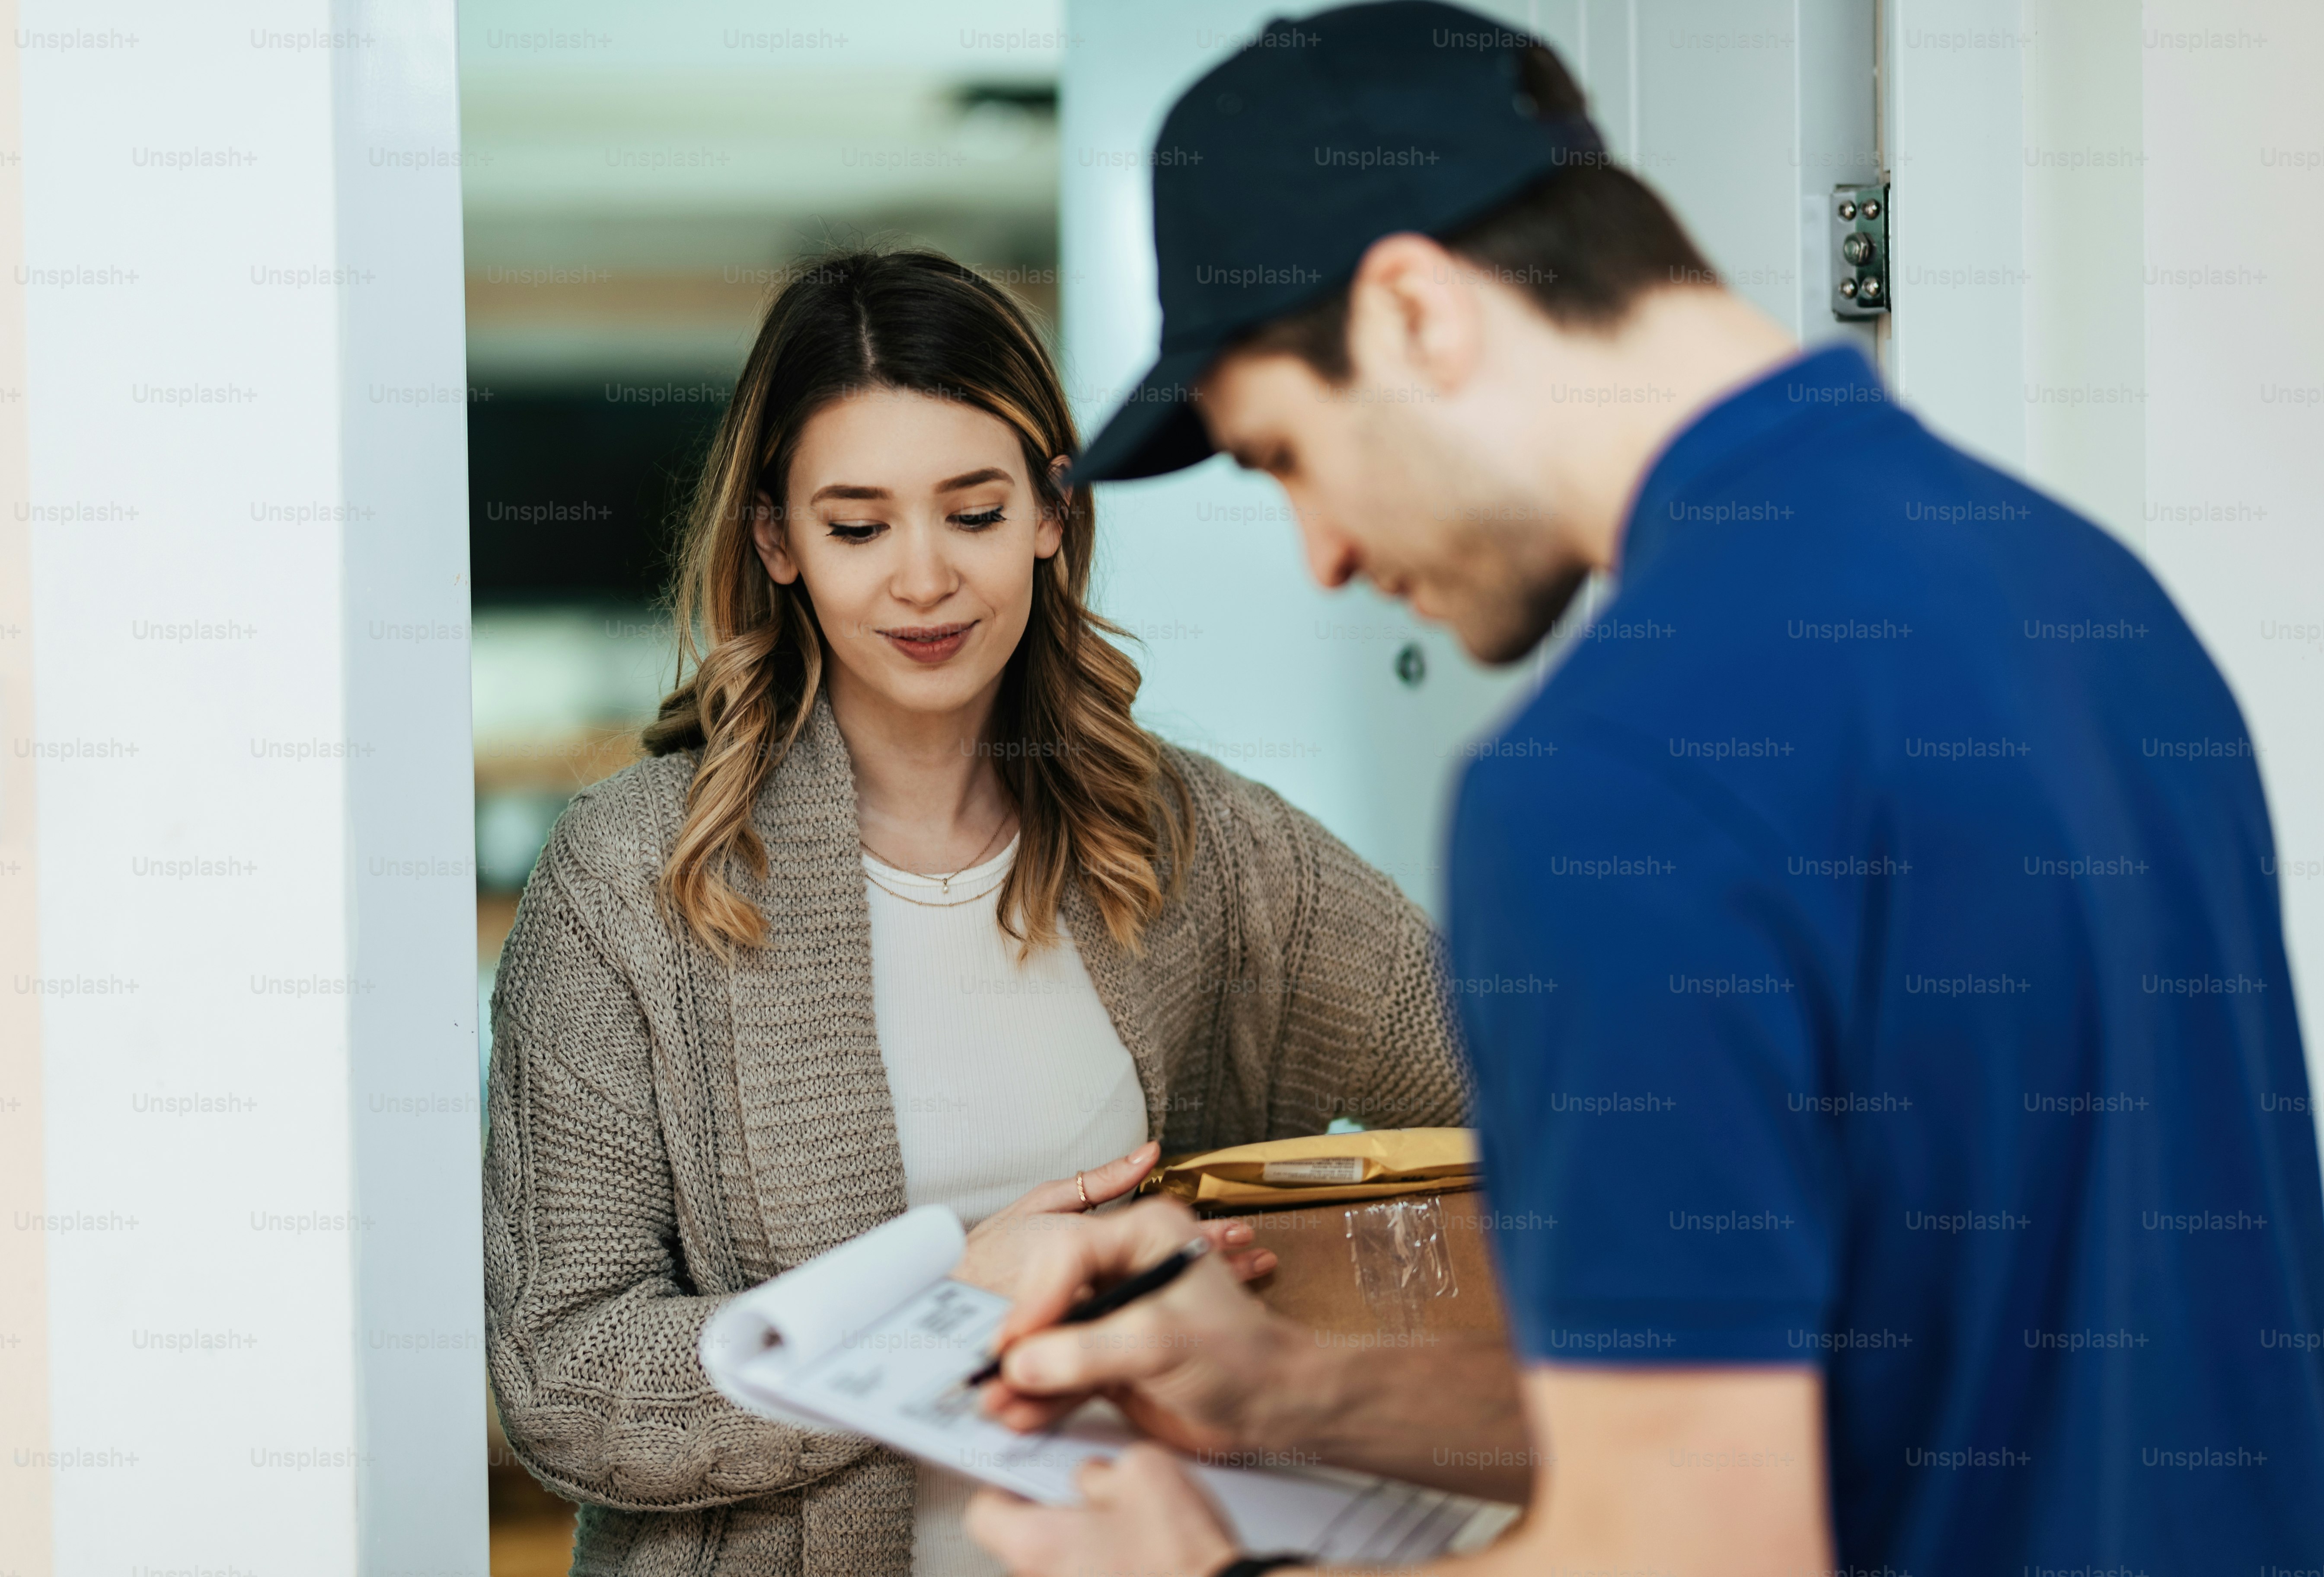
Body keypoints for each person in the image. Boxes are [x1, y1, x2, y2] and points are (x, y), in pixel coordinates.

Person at [962, 7, 2324, 1577]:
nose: (1323, 553)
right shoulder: (2095, 604)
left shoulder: (1612, 778)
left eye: (1282, 454)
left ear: (1415, 311)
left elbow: (1693, 1545)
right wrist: (1291, 1385)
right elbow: (1840, 1393)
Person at [480, 249, 1471, 1577]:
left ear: (1054, 513)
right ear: (775, 540)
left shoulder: (1193, 845)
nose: (926, 579)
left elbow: (1521, 1079)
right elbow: (564, 1384)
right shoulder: (626, 885)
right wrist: (947, 1306)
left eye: (975, 511)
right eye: (858, 524)